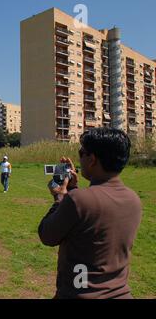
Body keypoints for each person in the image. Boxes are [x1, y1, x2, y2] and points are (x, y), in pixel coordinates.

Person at [38, 128, 142, 299]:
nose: (79, 157)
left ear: (92, 159)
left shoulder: (78, 200)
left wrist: (59, 197)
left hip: (79, 294)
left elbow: (47, 235)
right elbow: (89, 219)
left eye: (82, 152)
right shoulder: (134, 199)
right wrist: (72, 189)